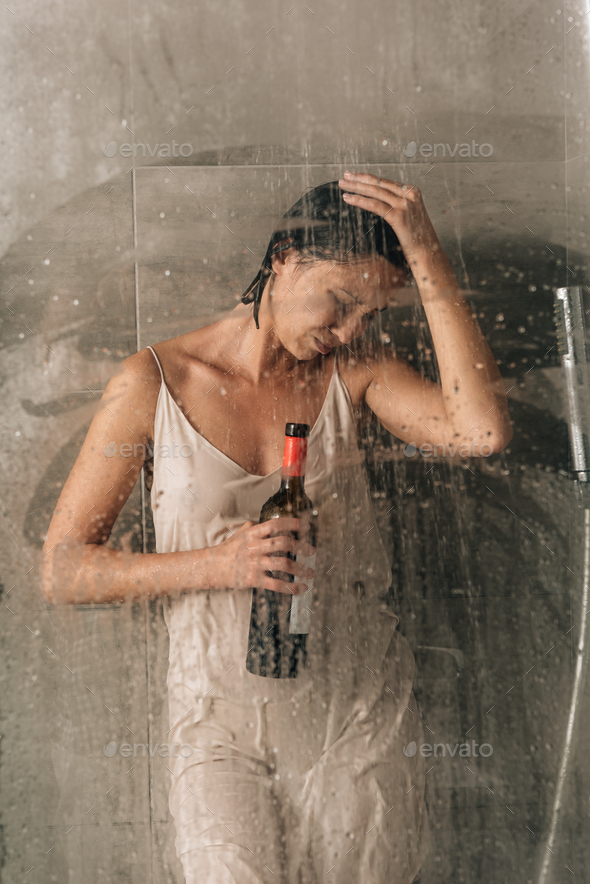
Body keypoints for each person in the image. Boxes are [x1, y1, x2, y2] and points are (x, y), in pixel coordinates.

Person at [42, 172, 512, 883]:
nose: (348, 330)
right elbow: (64, 570)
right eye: (342, 302)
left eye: (369, 315)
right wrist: (216, 565)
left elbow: (478, 431)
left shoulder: (355, 372)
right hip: (217, 718)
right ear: (285, 258)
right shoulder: (153, 383)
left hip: (358, 710)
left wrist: (428, 259)